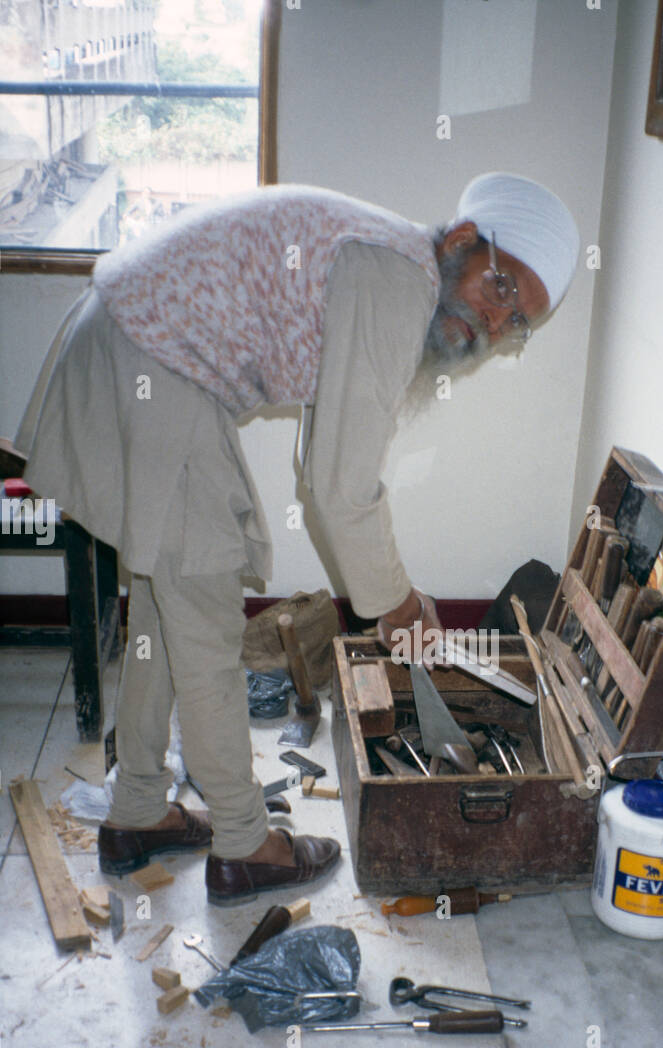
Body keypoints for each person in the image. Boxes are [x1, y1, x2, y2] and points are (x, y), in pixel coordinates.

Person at [15, 173, 580, 906]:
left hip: (132, 349)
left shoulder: (388, 267)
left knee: (163, 603)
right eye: (500, 289)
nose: (497, 324)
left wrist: (389, 595)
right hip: (149, 362)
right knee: (209, 618)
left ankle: (139, 813)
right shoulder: (396, 277)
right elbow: (341, 488)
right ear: (464, 243)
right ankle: (246, 847)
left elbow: (326, 459)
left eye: (518, 325)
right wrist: (399, 605)